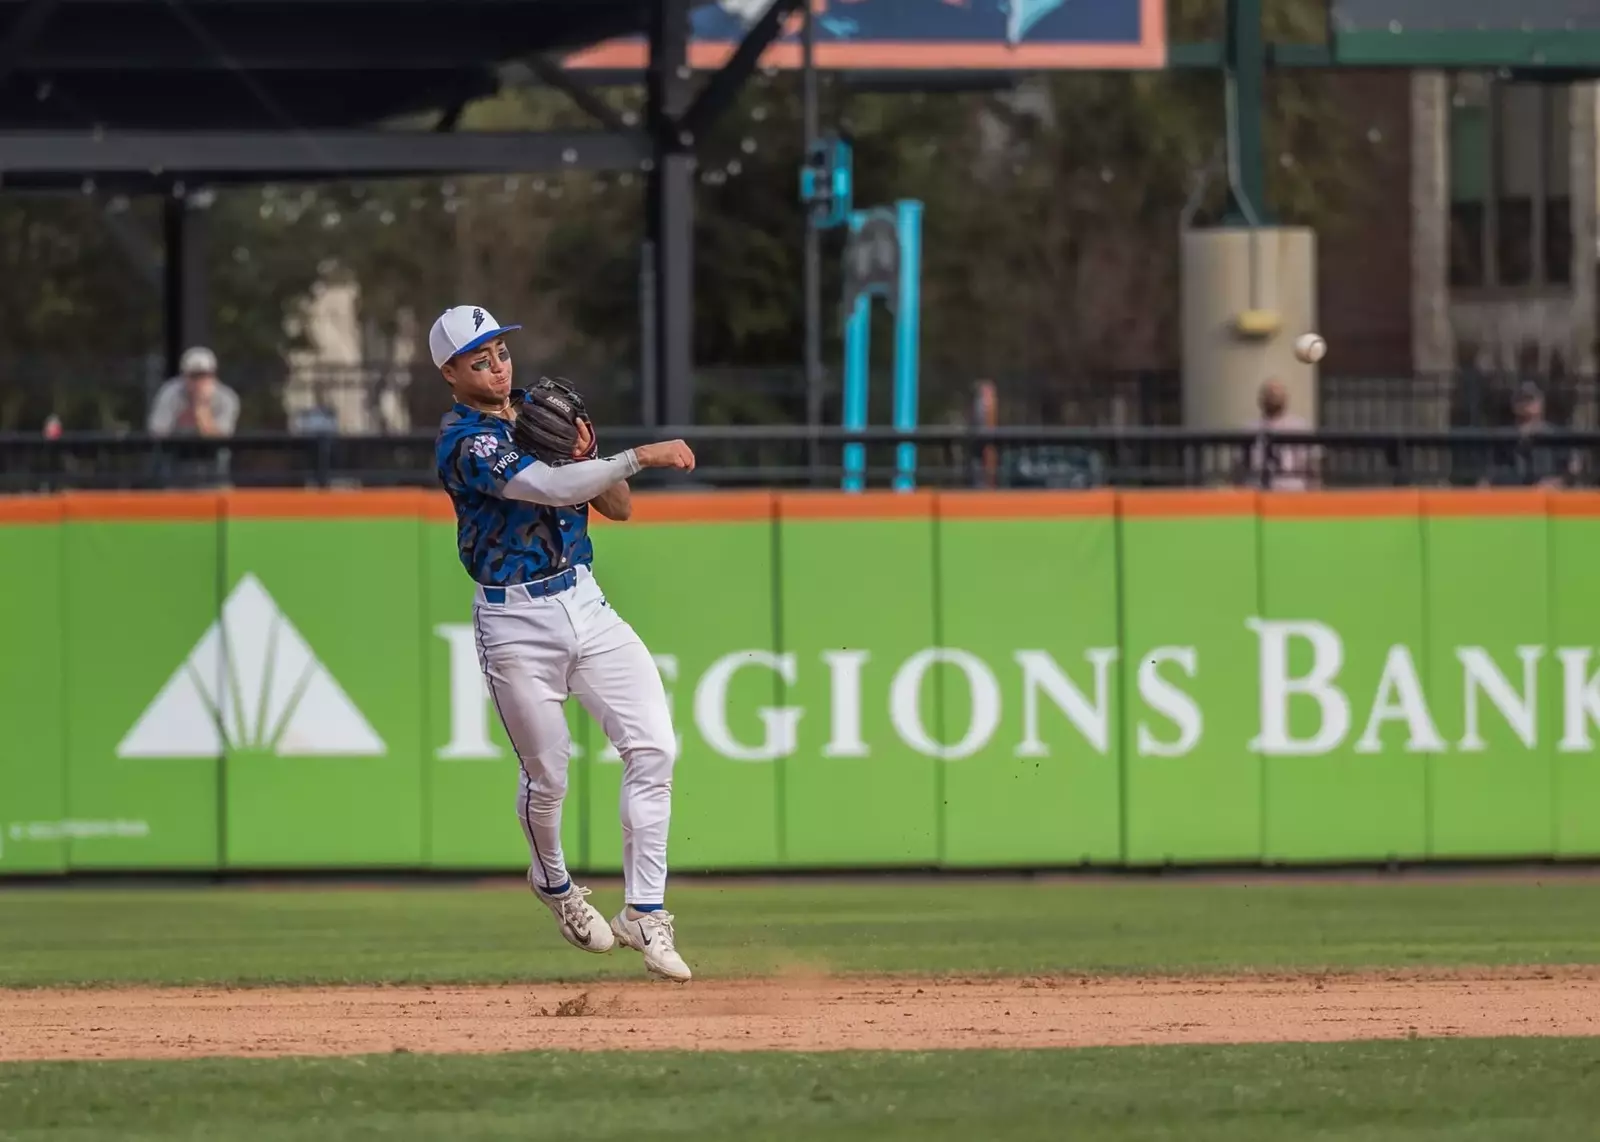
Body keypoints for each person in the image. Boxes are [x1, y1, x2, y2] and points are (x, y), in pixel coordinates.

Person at [431, 304, 697, 982]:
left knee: (655, 747)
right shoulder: (465, 440)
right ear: (451, 373)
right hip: (515, 622)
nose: (497, 366)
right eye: (479, 358)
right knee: (548, 776)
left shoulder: (537, 414)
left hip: (586, 601)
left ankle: (645, 912)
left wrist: (592, 456)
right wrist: (636, 454)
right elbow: (547, 488)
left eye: (501, 351)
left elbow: (618, 507)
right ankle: (555, 886)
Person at [147, 346, 240, 438]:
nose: (199, 382)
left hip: (213, 450)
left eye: (205, 375)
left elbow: (223, 436)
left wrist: (202, 408)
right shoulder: (169, 392)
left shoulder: (227, 397)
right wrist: (179, 422)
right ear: (184, 376)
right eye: (194, 376)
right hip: (176, 449)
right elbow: (156, 431)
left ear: (214, 376)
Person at [1245, 379, 1319, 490]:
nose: (1273, 397)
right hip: (1258, 488)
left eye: (1277, 394)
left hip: (1292, 489)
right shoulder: (1251, 429)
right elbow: (1240, 465)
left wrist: (1315, 488)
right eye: (1270, 394)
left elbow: (1312, 463)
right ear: (1261, 399)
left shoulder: (1298, 427)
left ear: (1285, 398)